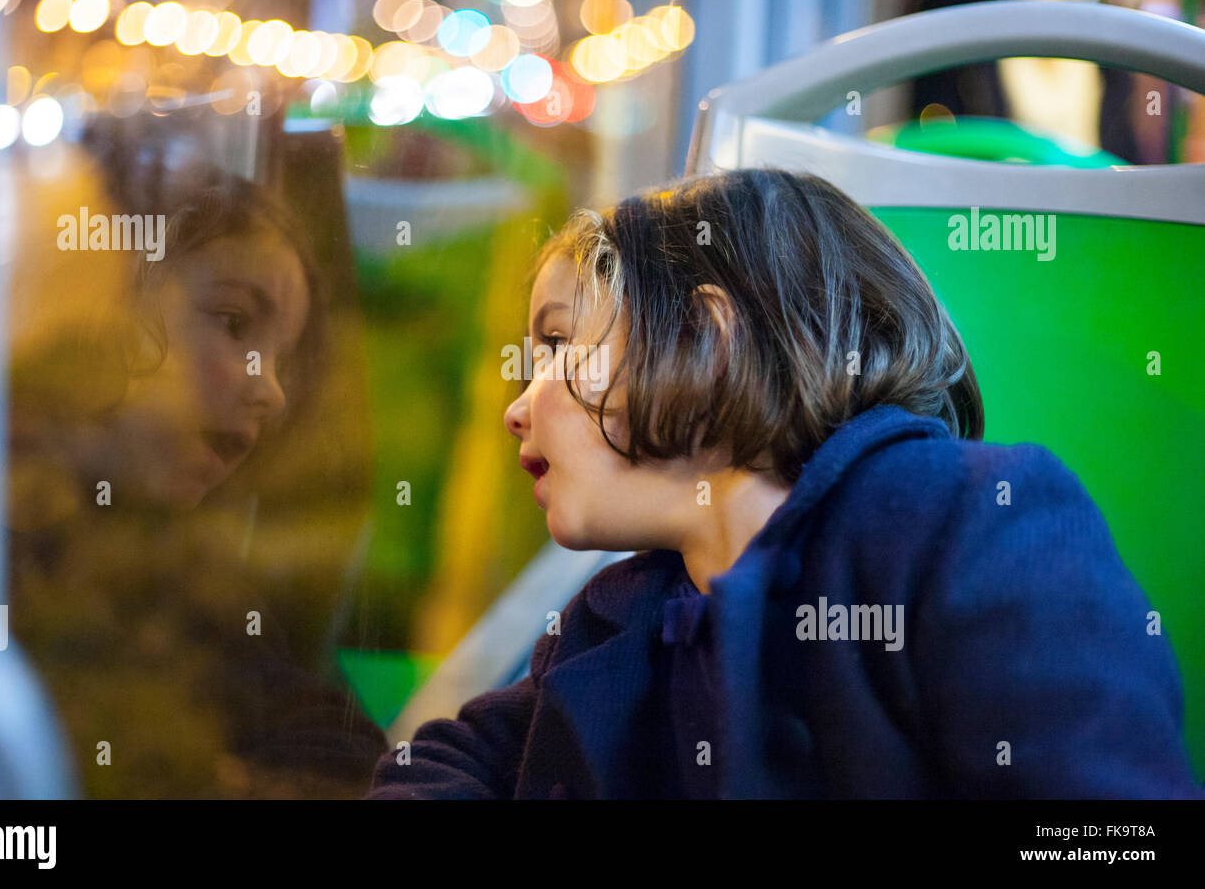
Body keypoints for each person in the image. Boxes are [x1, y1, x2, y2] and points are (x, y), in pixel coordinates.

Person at [365, 167, 1201, 799]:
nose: (518, 407)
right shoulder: (619, 618)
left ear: (705, 341)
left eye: (558, 347)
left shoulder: (970, 521)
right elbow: (441, 765)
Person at [6, 167, 387, 797]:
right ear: (112, 309)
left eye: (288, 361)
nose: (273, 392)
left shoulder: (186, 575)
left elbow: (333, 738)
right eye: (235, 323)